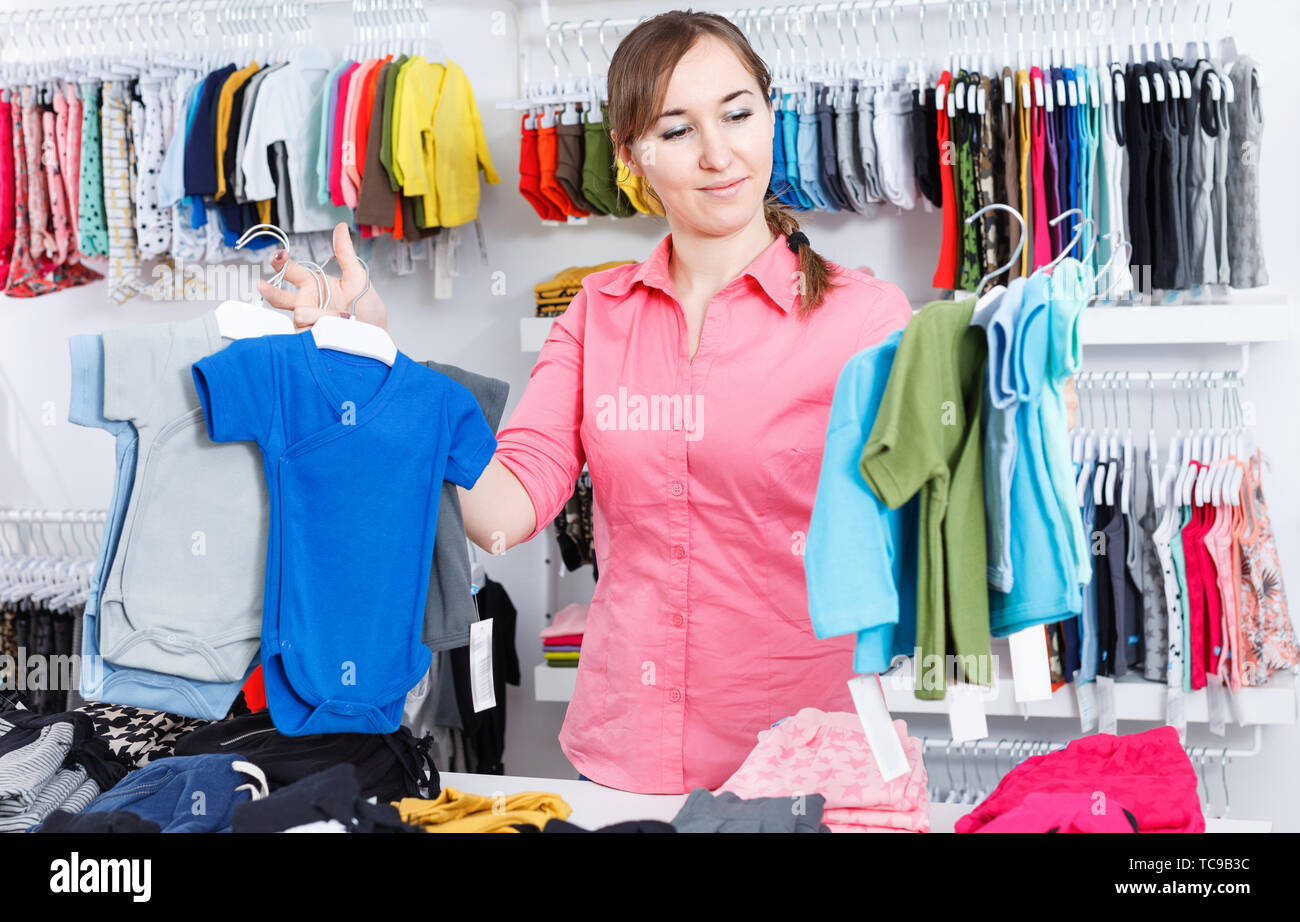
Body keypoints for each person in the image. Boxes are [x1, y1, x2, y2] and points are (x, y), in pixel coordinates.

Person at [258, 11, 914, 794]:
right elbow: (503, 511)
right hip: (626, 752)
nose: (718, 153)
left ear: (770, 117)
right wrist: (378, 365)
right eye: (677, 131)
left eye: (738, 114)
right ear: (633, 157)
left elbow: (933, 511)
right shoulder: (598, 313)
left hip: (801, 761)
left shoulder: (865, 320)